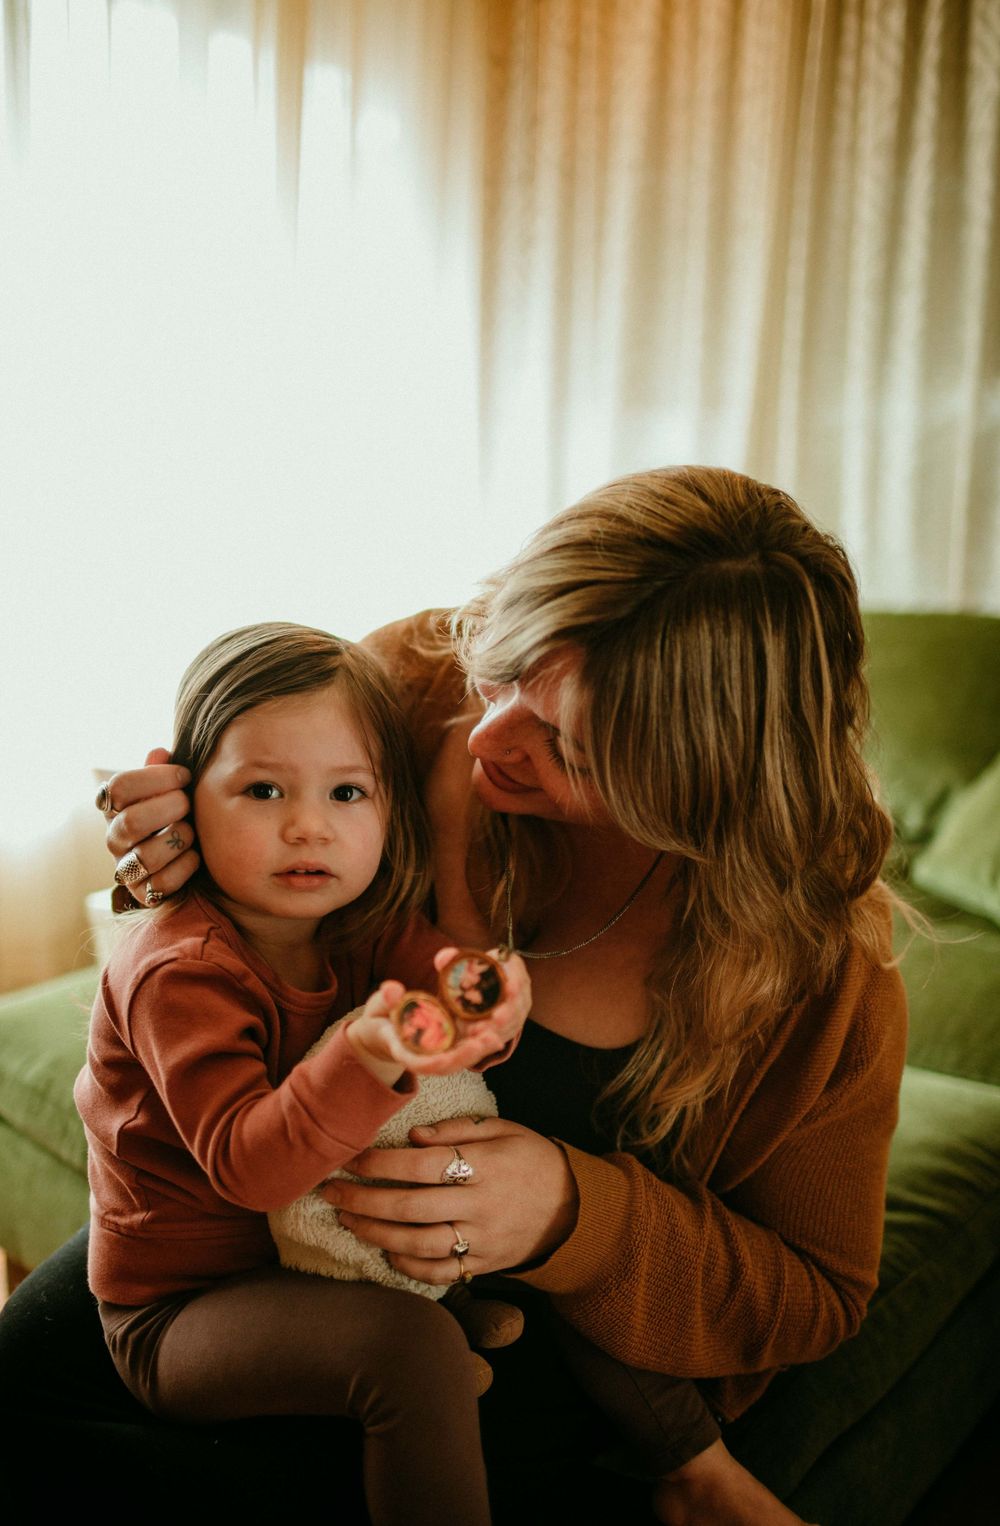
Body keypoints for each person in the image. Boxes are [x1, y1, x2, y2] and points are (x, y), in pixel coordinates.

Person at [0, 466, 908, 1525]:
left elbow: (814, 1294)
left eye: (564, 742)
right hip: (254, 1239)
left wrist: (571, 1211)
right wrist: (172, 835)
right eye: (507, 667)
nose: (487, 736)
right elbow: (251, 844)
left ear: (696, 775)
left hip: (515, 1329)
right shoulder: (418, 681)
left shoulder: (818, 972)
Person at [72, 621, 533, 1526]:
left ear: (389, 809)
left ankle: (438, 1318)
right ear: (182, 799)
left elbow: (450, 1001)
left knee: (474, 1189)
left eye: (347, 791)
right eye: (262, 788)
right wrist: (365, 1054)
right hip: (185, 1308)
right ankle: (430, 1342)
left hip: (312, 1259)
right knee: (412, 1356)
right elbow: (252, 1169)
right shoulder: (180, 970)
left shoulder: (363, 925)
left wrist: (488, 1008)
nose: (307, 824)